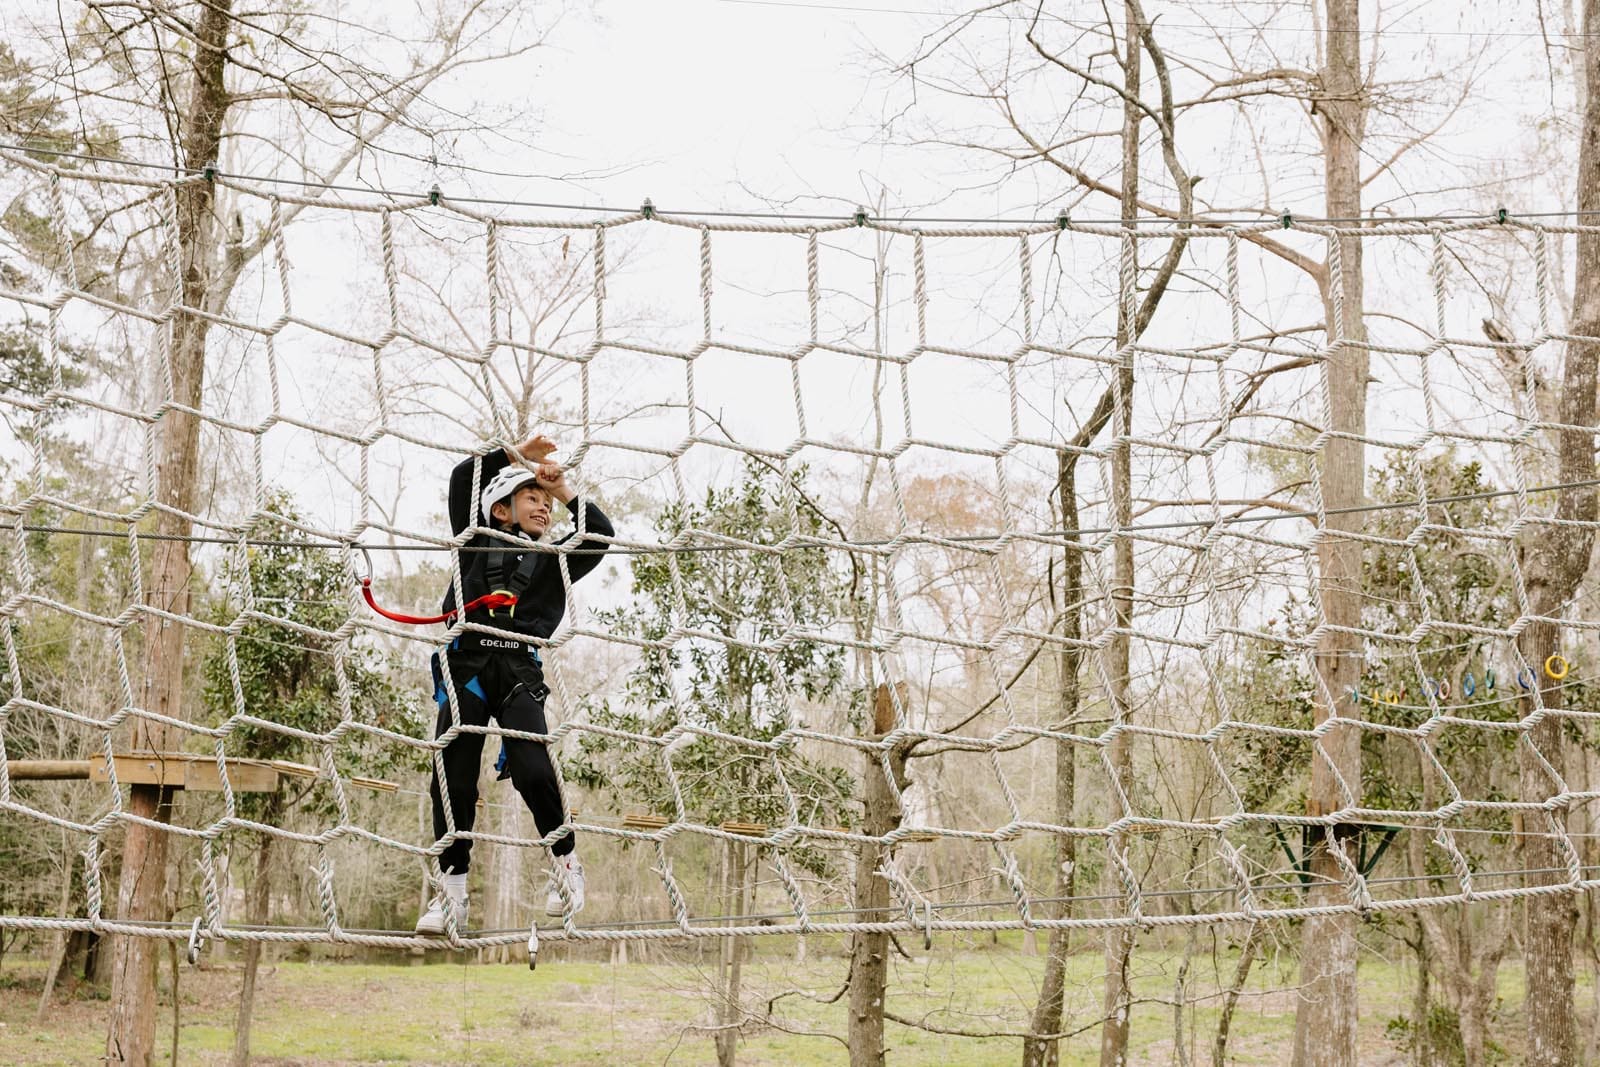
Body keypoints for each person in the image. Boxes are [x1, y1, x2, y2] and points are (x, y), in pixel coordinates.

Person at [415, 435, 614, 935]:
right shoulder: (475, 541)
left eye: (547, 504)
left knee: (533, 769)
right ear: (501, 510)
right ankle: (453, 889)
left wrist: (562, 488)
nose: (543, 509)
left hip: (519, 671)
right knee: (454, 775)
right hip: (469, 668)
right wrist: (515, 455)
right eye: (532, 499)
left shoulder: (553, 561)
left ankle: (565, 862)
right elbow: (465, 479)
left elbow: (600, 534)